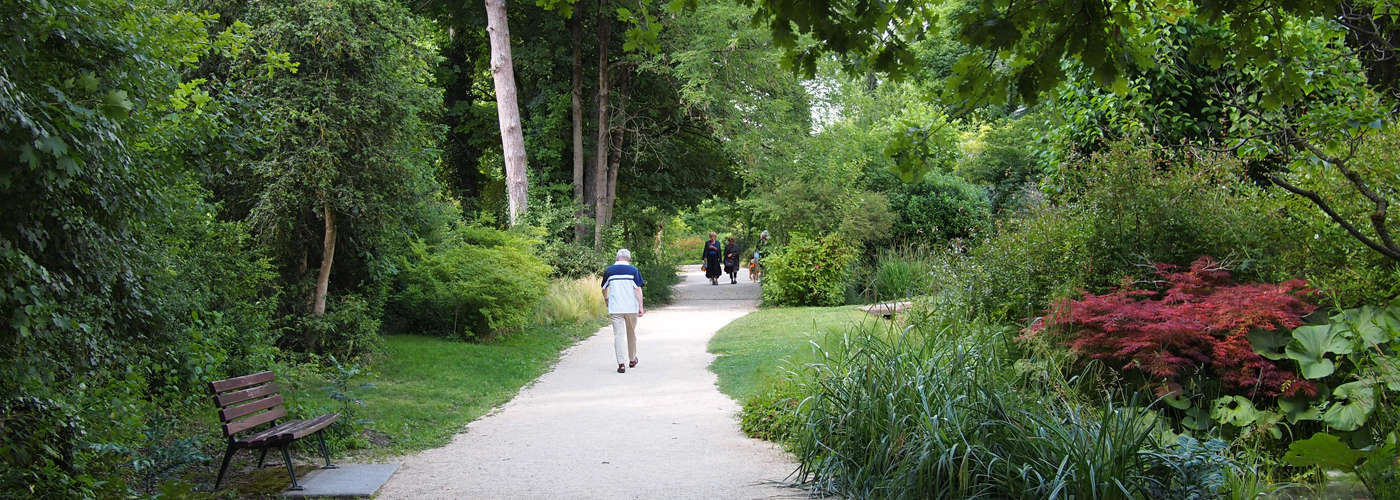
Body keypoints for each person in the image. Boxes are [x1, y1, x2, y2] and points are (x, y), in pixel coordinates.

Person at [602, 248, 645, 373]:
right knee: (631, 334)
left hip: (615, 308)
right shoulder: (633, 270)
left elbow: (604, 288)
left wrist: (606, 299)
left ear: (617, 258)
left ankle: (621, 364)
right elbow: (637, 289)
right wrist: (641, 306)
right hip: (631, 308)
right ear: (629, 258)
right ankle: (632, 359)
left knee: (618, 336)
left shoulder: (609, 271)